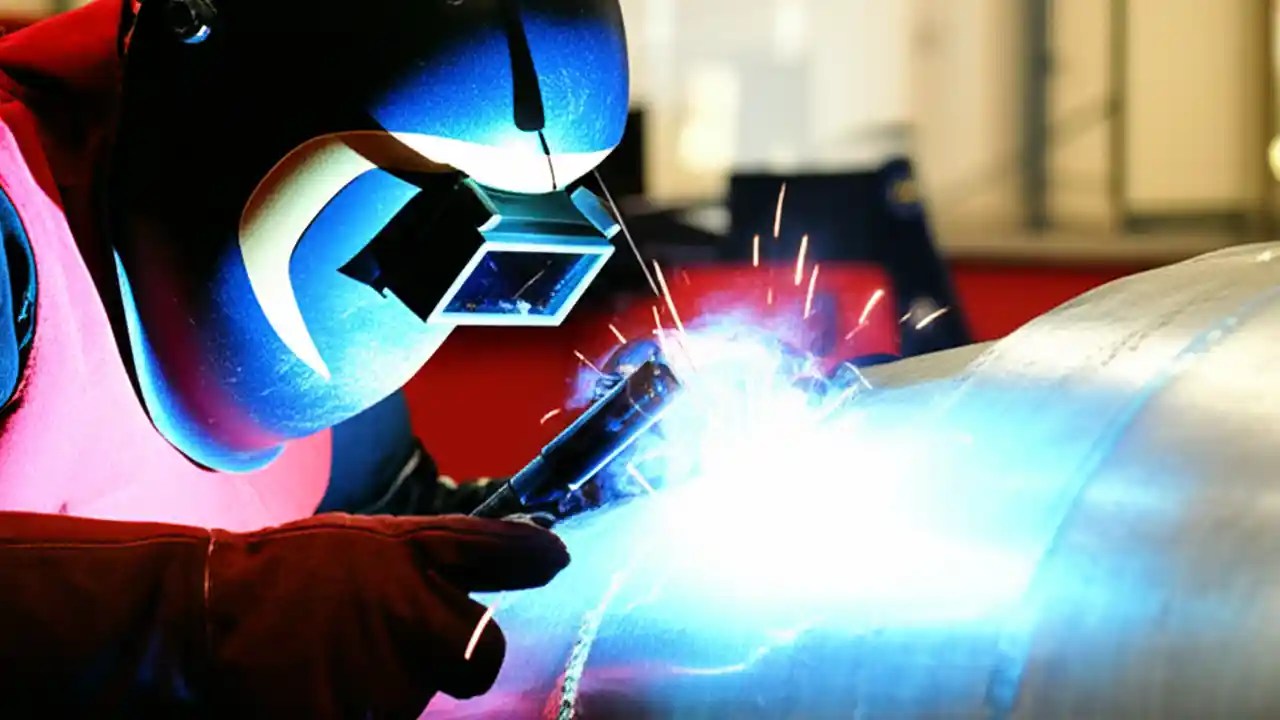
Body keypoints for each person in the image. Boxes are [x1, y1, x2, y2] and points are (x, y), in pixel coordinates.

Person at [0, 0, 630, 715]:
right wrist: (212, 612)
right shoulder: (10, 228)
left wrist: (593, 513)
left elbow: (384, 550)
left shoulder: (340, 382)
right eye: (437, 219)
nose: (442, 293)